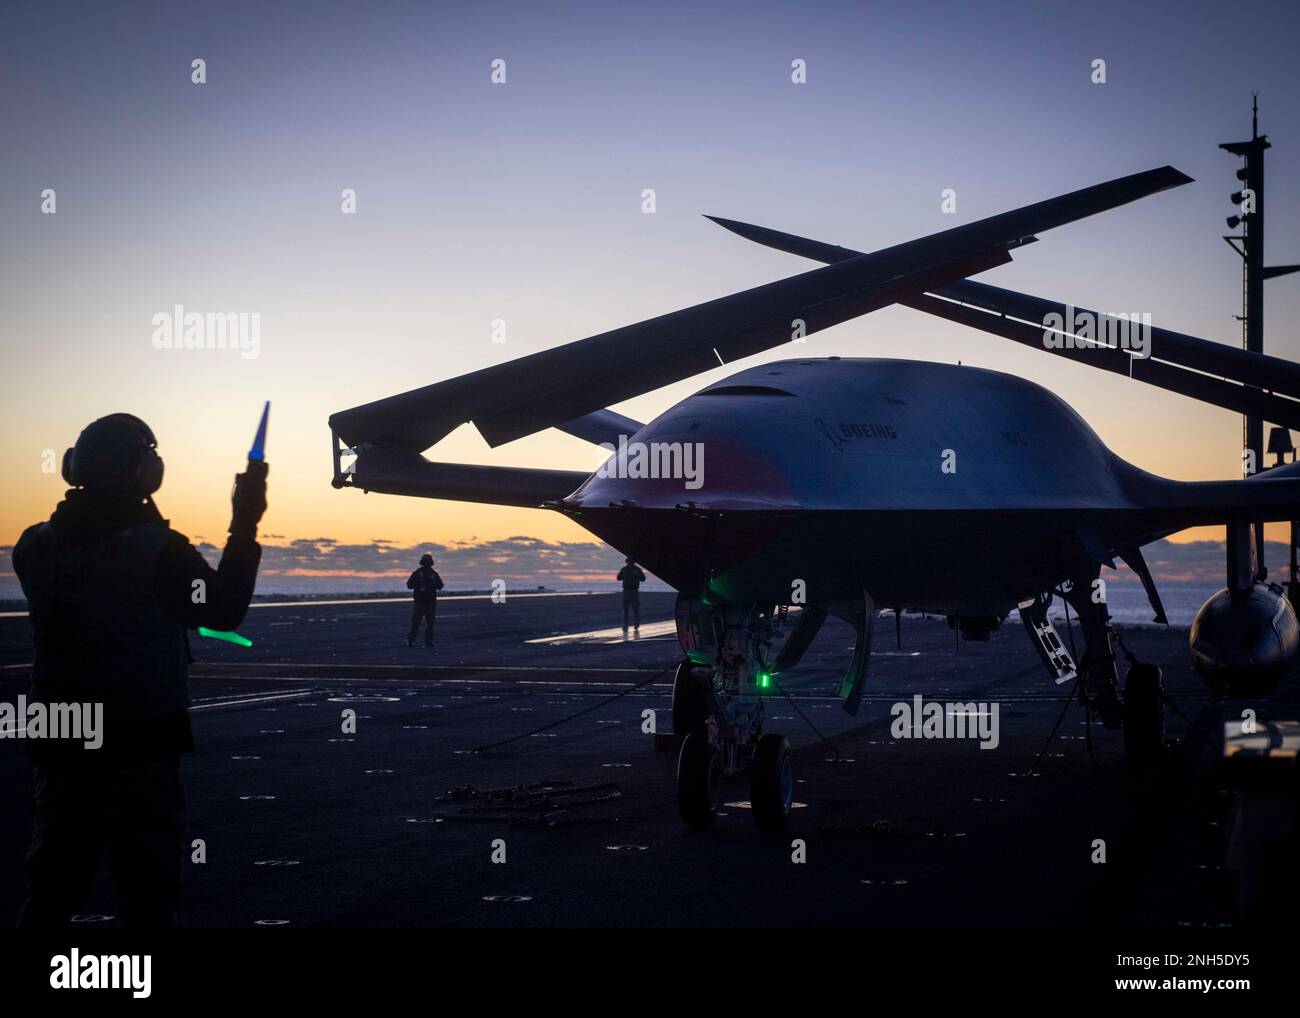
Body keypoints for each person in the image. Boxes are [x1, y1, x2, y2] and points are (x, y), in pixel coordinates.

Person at [12, 413, 266, 928]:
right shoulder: (156, 551)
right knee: (147, 894)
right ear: (141, 471)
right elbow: (221, 611)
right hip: (137, 741)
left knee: (53, 886)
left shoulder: (32, 545)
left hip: (59, 740)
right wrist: (244, 522)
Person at [405, 553, 443, 647]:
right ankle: (427, 641)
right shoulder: (433, 574)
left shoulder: (418, 573)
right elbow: (440, 586)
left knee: (417, 622)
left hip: (422, 601)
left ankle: (412, 641)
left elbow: (409, 585)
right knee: (428, 622)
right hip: (427, 601)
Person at [617, 556, 647, 632]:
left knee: (630, 609)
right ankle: (630, 625)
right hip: (630, 591)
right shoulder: (631, 569)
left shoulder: (629, 569)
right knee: (631, 609)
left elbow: (643, 579)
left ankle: (630, 625)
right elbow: (619, 578)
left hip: (631, 591)